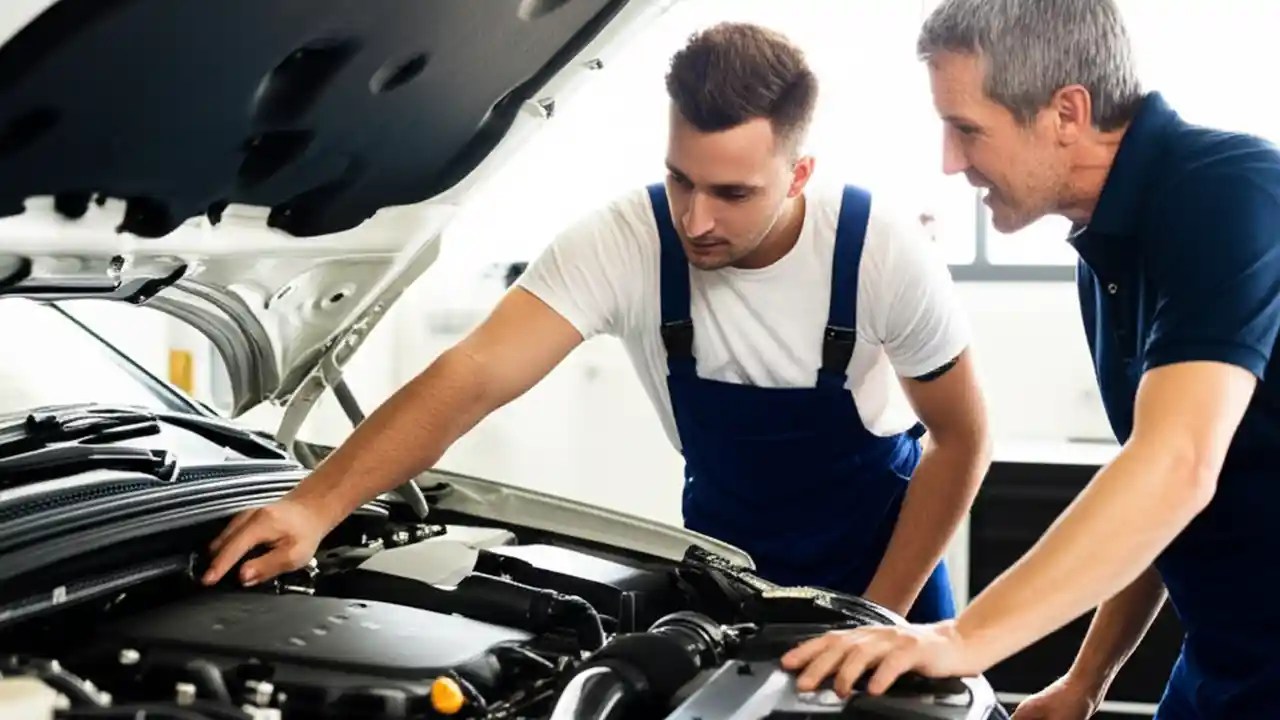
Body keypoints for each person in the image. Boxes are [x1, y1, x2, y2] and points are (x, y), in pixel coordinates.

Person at [200, 21, 991, 623]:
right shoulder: (623, 240)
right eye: (680, 180)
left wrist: (876, 618)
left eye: (733, 194)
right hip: (729, 569)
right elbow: (472, 375)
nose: (696, 219)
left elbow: (962, 438)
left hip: (887, 569)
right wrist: (315, 504)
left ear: (800, 174)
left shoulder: (876, 252)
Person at [780, 1, 1280, 718]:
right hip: (1222, 666)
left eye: (967, 129)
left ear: (1067, 113)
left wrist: (964, 638)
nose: (950, 162)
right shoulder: (1104, 252)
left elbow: (1178, 465)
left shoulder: (1230, 191)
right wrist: (1085, 680)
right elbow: (1156, 493)